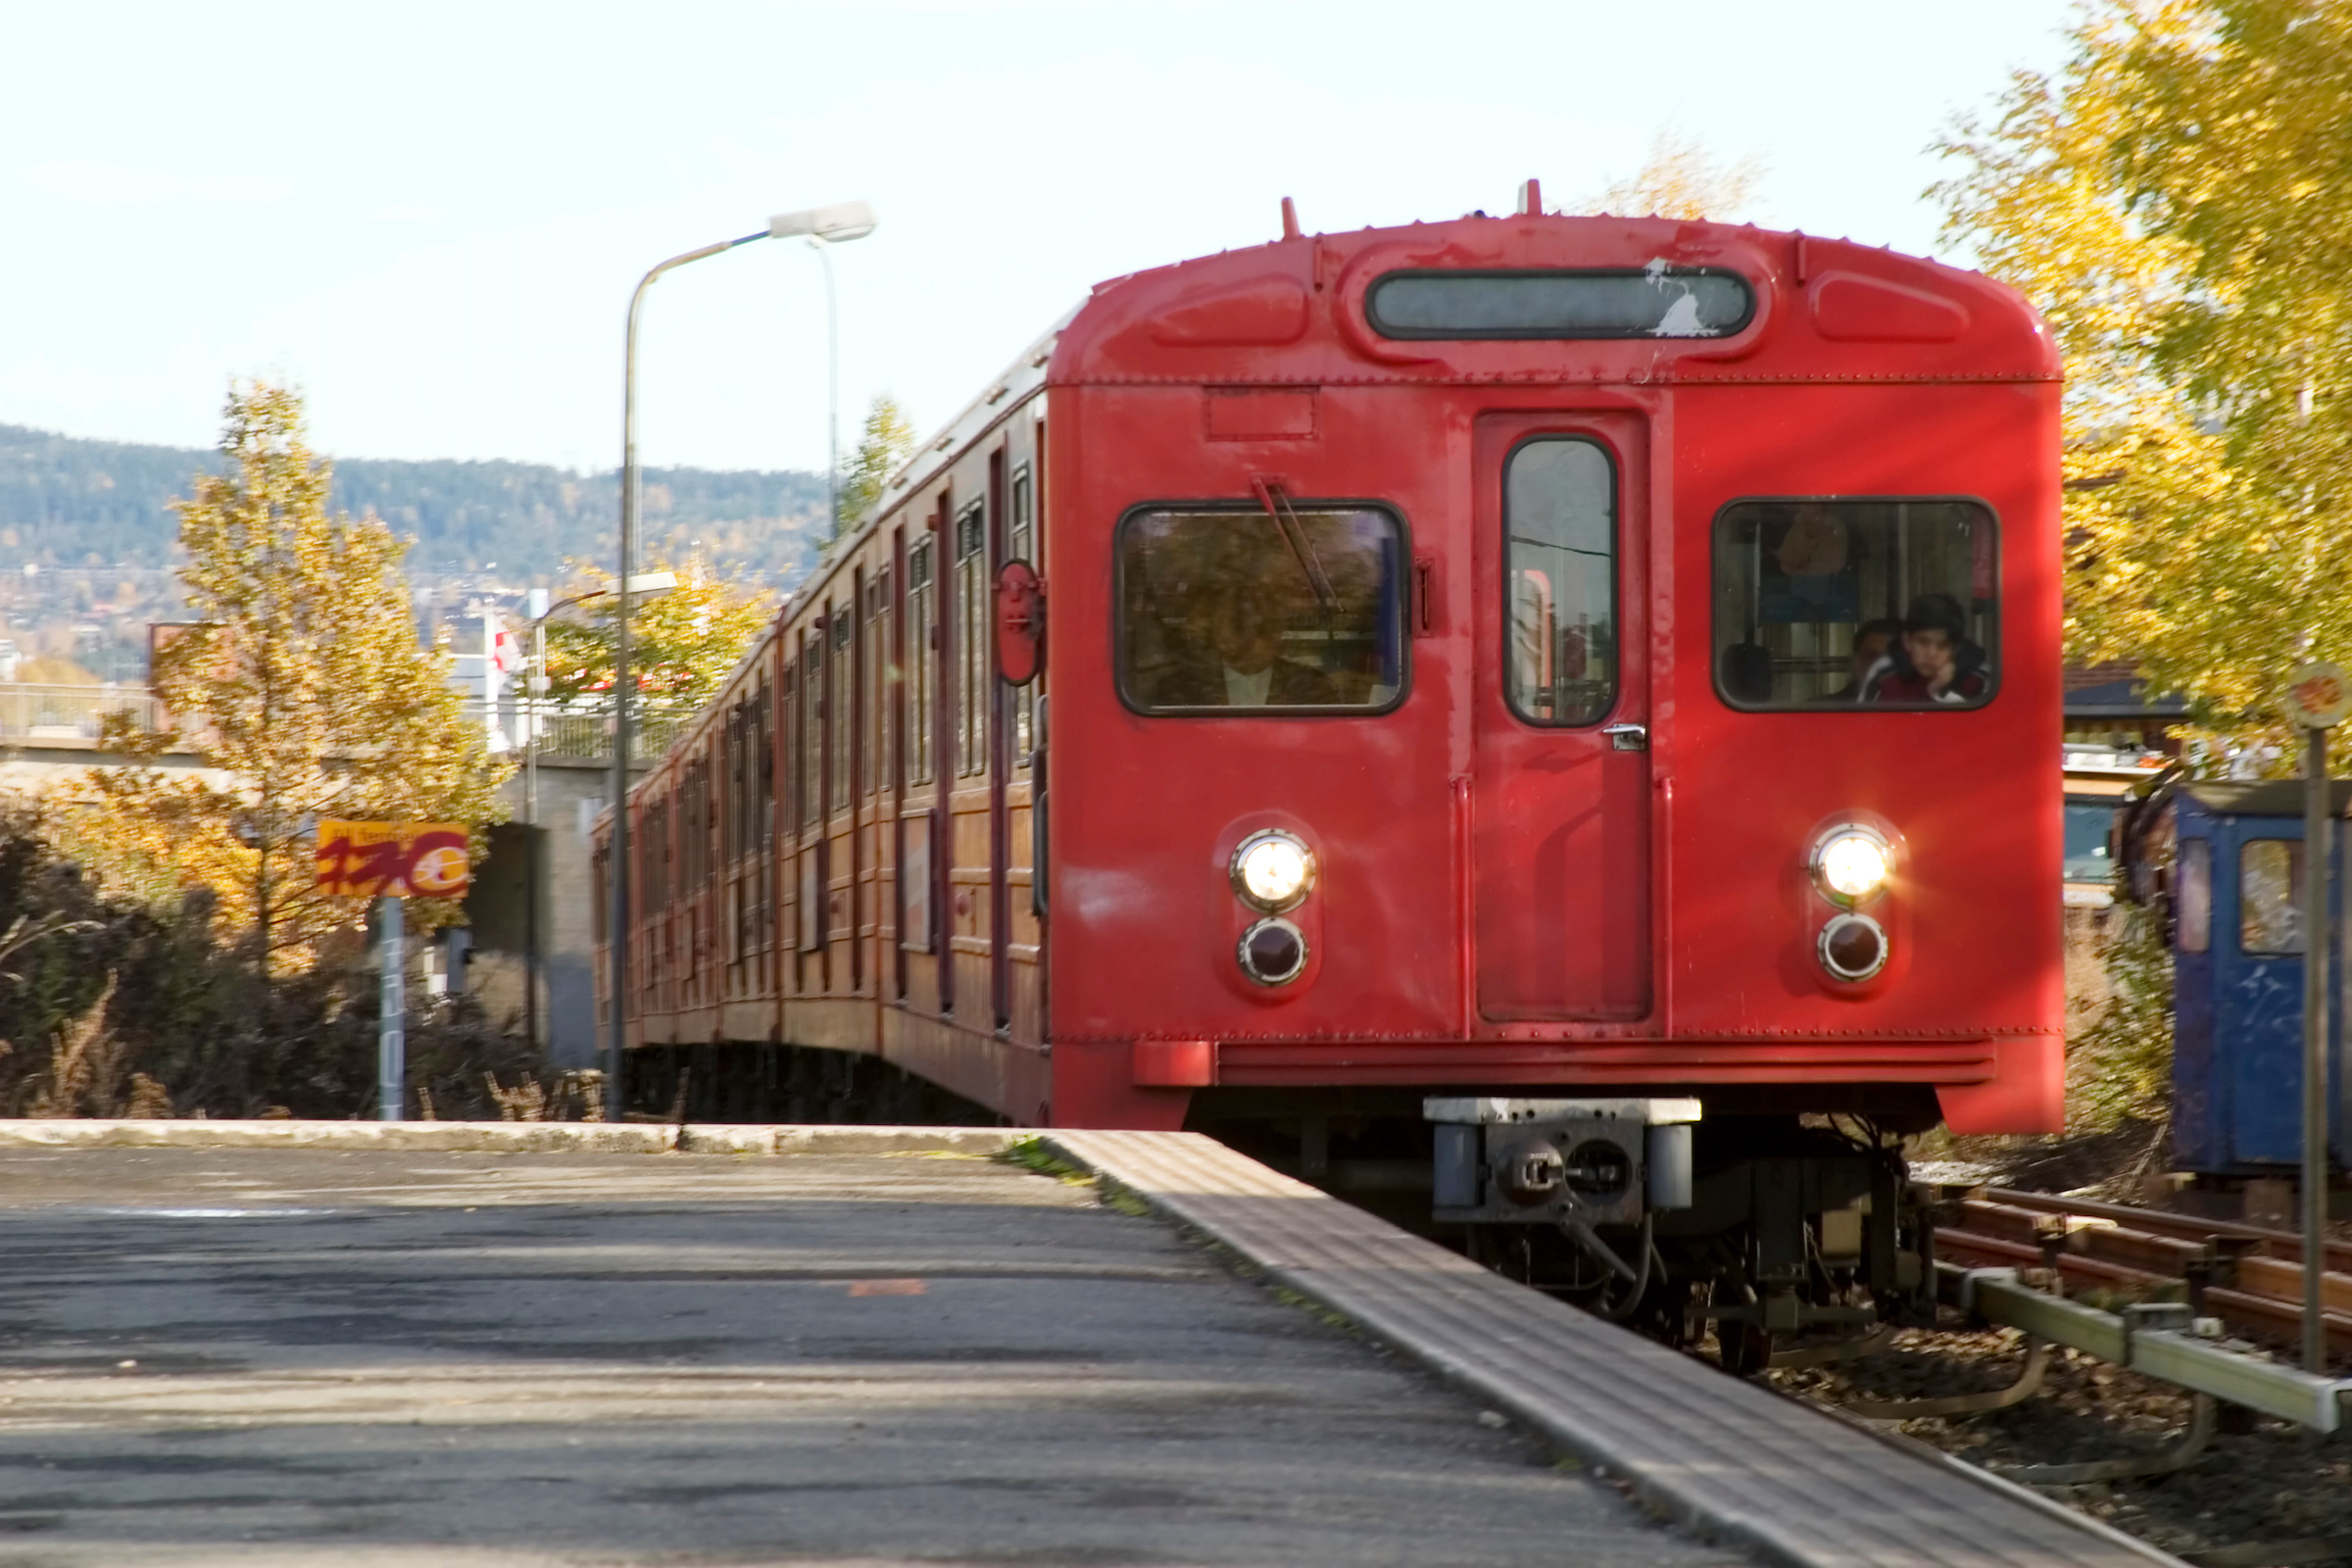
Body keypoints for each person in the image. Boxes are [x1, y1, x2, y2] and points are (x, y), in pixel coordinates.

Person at [1146, 550, 1339, 709]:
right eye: (1236, 624)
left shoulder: (1314, 687)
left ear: (1279, 631)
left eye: (1262, 626)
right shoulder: (1176, 688)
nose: (1249, 639)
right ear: (1214, 628)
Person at [1864, 594, 1990, 704]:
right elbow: (1862, 725)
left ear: (1956, 648)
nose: (1931, 654)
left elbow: (1984, 728)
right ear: (1907, 641)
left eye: (1942, 645)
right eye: (1923, 642)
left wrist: (1943, 693)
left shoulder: (1976, 676)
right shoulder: (1884, 671)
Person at [1823, 618, 1904, 703]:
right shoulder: (1823, 709)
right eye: (1872, 656)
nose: (1880, 665)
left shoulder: (1916, 706)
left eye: (1890, 658)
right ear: (1856, 662)